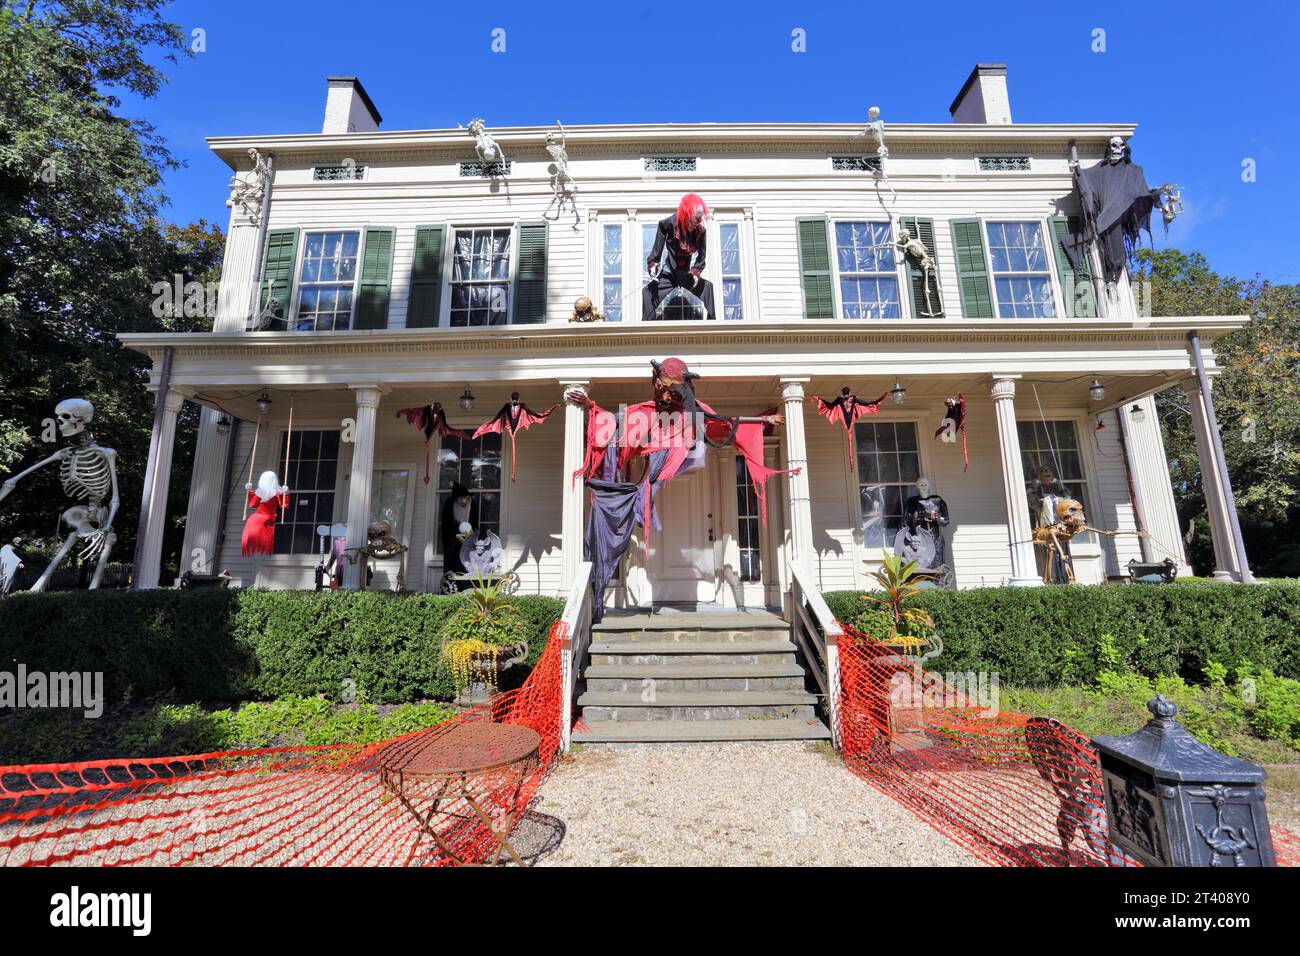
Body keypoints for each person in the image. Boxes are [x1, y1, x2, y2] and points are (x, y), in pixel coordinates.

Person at [645, 194, 715, 320]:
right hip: (669, 275)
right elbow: (658, 245)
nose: (695, 225)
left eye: (698, 221)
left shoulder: (700, 232)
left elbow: (701, 258)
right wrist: (653, 262)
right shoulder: (669, 223)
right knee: (648, 291)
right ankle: (647, 327)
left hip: (687, 276)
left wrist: (695, 272)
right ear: (686, 215)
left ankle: (712, 328)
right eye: (693, 221)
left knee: (708, 288)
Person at [439, 481, 478, 574]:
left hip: (468, 544)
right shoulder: (449, 505)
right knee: (453, 570)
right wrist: (456, 537)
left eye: (466, 498)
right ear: (456, 500)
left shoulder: (472, 505)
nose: (464, 501)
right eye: (461, 499)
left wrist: (472, 536)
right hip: (453, 545)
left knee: (467, 568)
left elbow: (475, 524)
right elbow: (446, 526)